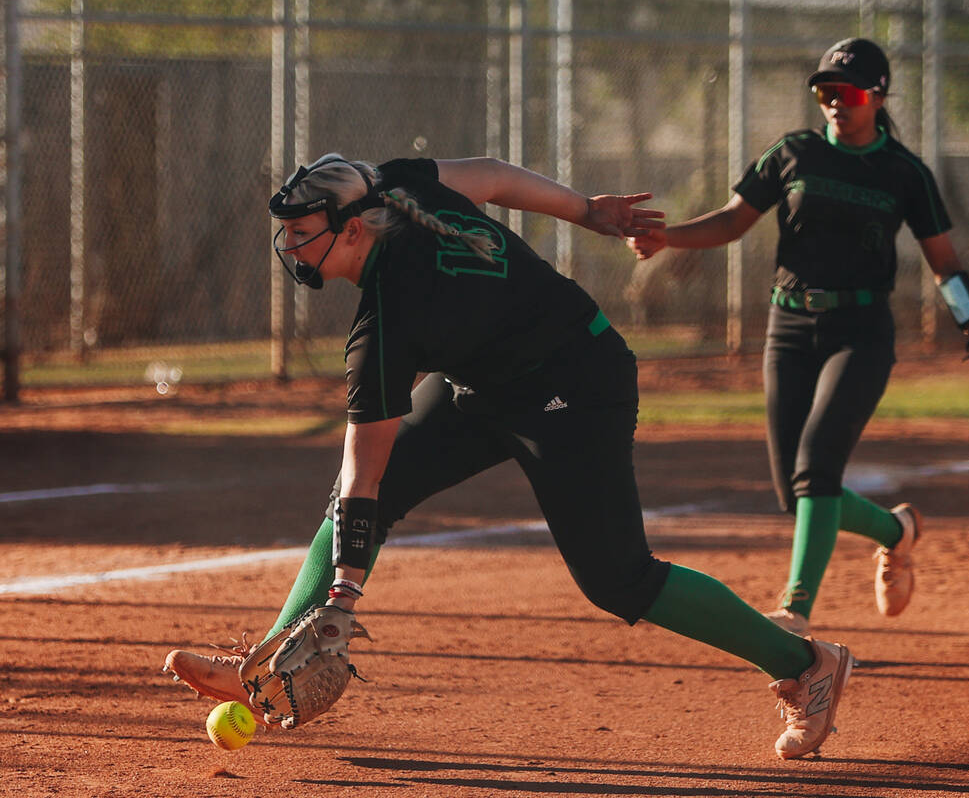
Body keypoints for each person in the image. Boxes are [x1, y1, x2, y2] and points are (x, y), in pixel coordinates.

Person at [163, 153, 855, 760]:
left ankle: (806, 665)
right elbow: (491, 176)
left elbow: (361, 475)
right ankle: (267, 660)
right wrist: (588, 212)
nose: (288, 244)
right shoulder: (394, 188)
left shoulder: (383, 328)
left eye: (300, 232)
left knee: (619, 579)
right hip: (486, 385)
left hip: (575, 385)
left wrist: (342, 599)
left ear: (351, 229)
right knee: (376, 488)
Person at [628, 38, 969, 636]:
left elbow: (944, 263)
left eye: (849, 92)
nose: (835, 102)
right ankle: (897, 531)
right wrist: (668, 238)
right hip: (789, 327)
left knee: (816, 467)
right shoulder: (794, 152)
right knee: (798, 492)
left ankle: (795, 610)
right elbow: (734, 219)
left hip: (861, 332)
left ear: (878, 96)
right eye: (825, 91)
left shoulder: (905, 173)